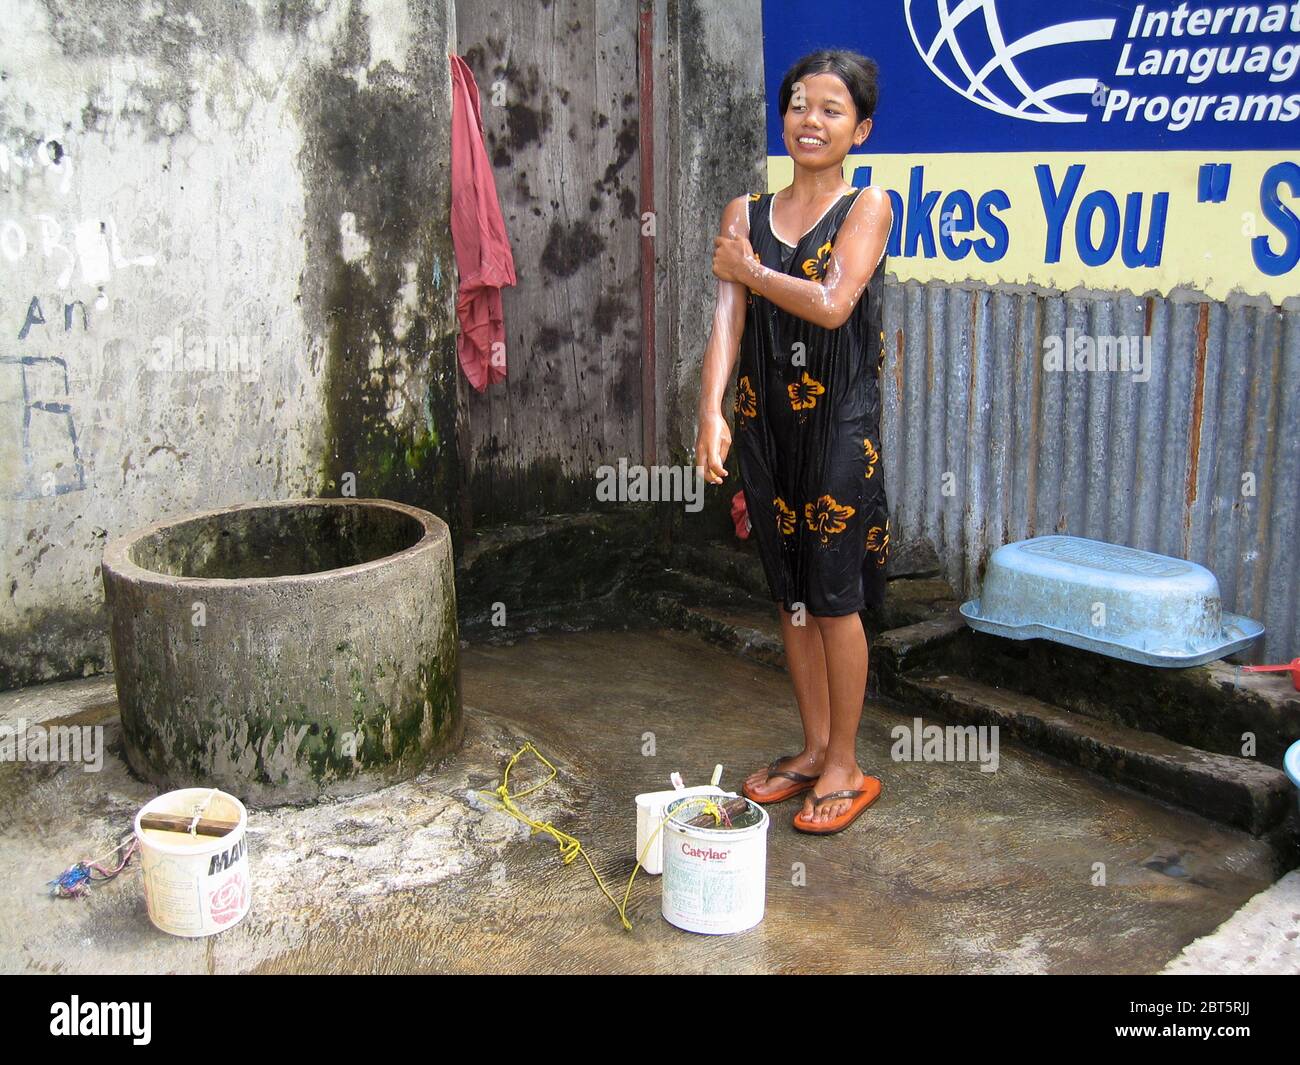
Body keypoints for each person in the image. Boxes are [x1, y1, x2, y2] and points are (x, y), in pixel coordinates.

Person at [694, 49, 892, 834]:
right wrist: (711, 410)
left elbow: (835, 303)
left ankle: (847, 761)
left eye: (831, 108)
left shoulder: (868, 205)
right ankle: (813, 748)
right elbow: (725, 319)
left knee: (836, 597)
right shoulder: (742, 211)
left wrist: (750, 270)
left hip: (840, 423)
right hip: (765, 423)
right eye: (800, 104)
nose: (811, 120)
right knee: (793, 594)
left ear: (861, 128)